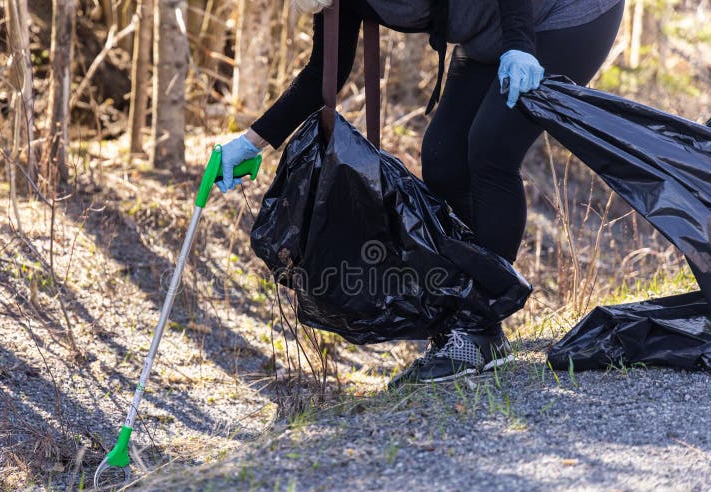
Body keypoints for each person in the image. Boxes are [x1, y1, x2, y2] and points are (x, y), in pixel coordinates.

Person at [220, 0, 625, 387]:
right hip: (490, 35)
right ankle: (476, 324)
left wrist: (519, 46)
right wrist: (250, 143)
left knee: (490, 148)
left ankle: (479, 328)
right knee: (443, 160)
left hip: (565, 15)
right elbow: (323, 72)